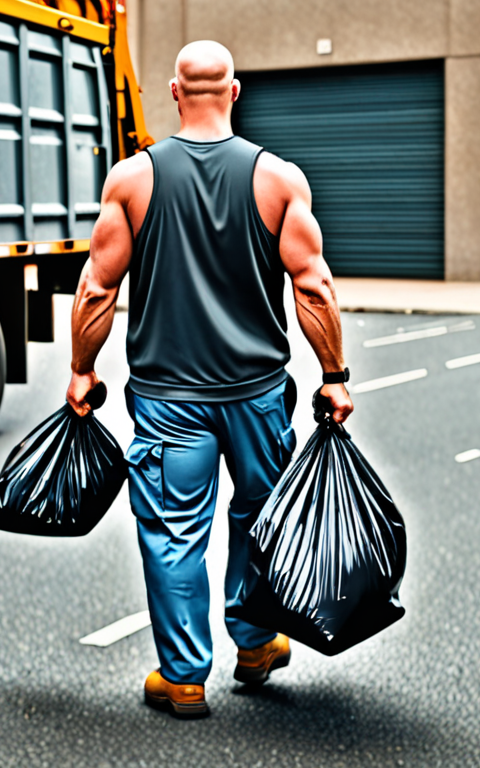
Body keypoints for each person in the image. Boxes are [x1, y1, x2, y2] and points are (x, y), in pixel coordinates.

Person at [66, 40, 353, 718]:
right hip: (258, 396)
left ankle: (184, 677)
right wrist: (334, 375)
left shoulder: (132, 180)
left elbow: (97, 288)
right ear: (235, 91)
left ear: (173, 92)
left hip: (168, 401)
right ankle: (254, 645)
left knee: (173, 534)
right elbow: (313, 286)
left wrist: (81, 370)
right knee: (261, 517)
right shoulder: (278, 180)